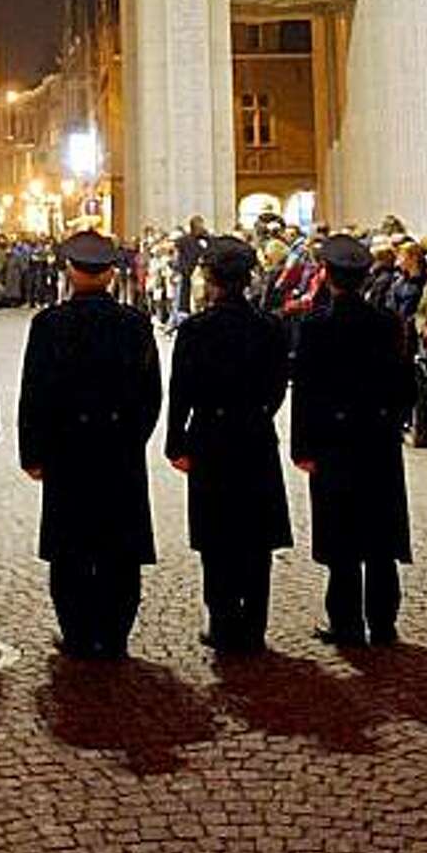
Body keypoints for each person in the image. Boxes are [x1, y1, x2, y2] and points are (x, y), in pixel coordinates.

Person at [18, 228, 161, 661]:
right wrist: (133, 437)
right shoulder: (134, 324)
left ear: (69, 271)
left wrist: (33, 452)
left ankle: (78, 633)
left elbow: (34, 393)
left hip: (66, 451)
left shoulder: (48, 324)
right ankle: (115, 634)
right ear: (112, 275)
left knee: (70, 545)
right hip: (119, 451)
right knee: (120, 546)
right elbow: (151, 393)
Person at [166, 237, 291, 653]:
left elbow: (180, 391)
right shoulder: (271, 327)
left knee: (217, 533)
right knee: (256, 535)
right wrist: (257, 414)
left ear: (210, 279)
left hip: (211, 438)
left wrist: (175, 441)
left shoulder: (196, 330)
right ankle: (254, 625)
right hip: (255, 436)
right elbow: (278, 387)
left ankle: (221, 620)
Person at [291, 234, 415, 647]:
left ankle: (344, 623)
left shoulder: (314, 327)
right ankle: (383, 622)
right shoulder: (387, 324)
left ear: (326, 277)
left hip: (333, 443)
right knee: (380, 534)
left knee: (341, 534)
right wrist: (391, 423)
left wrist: (301, 446)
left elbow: (305, 391)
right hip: (377, 442)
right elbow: (405, 386)